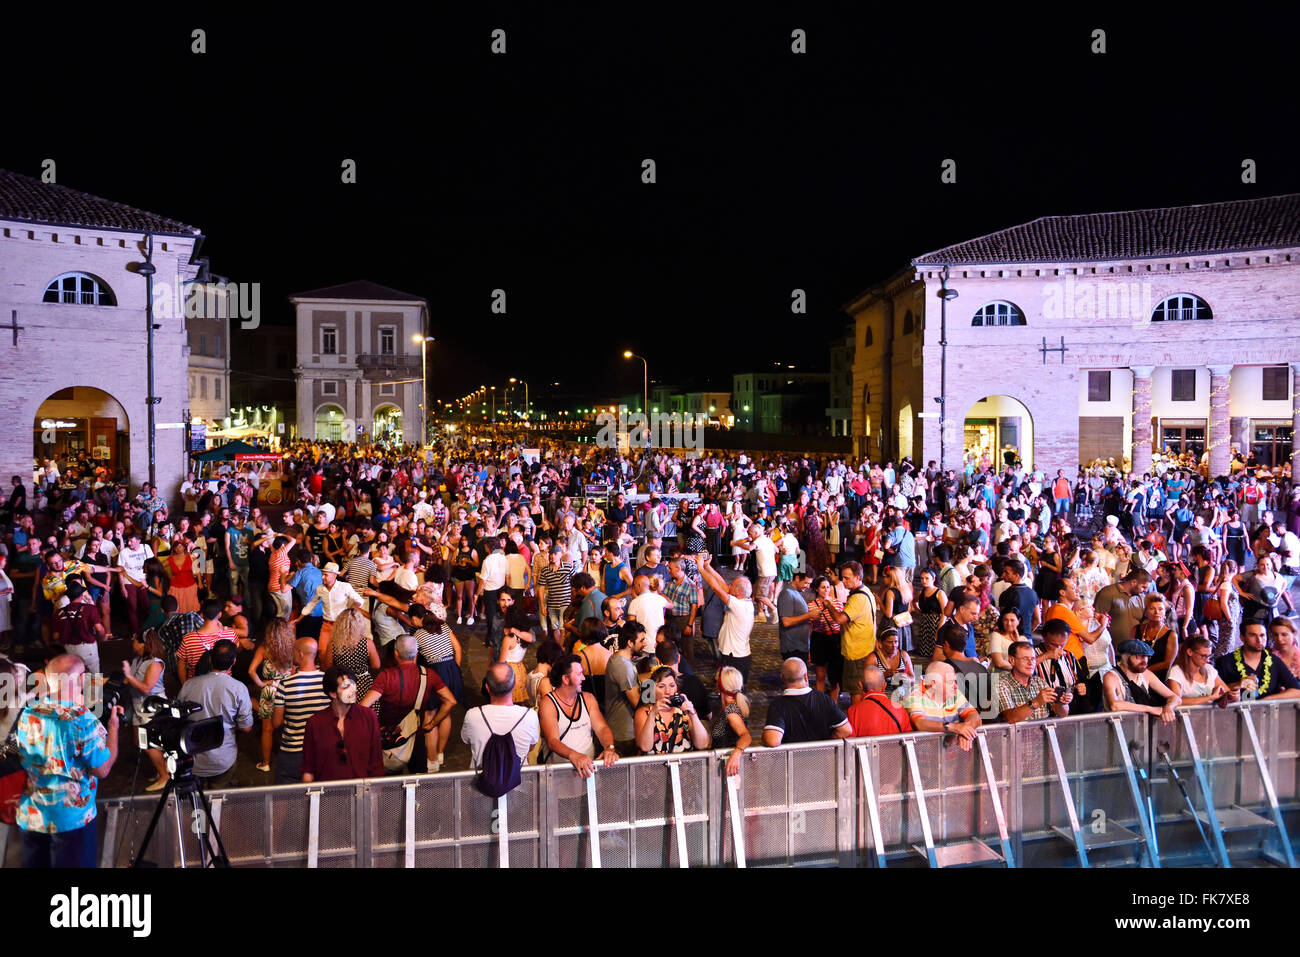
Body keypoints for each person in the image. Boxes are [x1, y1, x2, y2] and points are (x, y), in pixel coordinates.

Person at [14, 654, 123, 867]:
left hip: (32, 816)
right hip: (71, 820)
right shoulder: (83, 721)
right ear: (81, 680)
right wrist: (113, 728)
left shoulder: (27, 713)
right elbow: (103, 769)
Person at [360, 634, 456, 772]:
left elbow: (364, 706)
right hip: (416, 735)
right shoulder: (428, 675)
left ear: (396, 653)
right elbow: (451, 701)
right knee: (417, 777)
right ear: (416, 653)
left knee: (390, 779)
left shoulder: (386, 676)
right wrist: (432, 724)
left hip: (390, 738)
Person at [177, 639, 255, 789]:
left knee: (194, 802)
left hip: (193, 759)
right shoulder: (238, 688)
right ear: (234, 661)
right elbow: (246, 727)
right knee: (218, 801)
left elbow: (179, 718)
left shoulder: (189, 685)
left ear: (210, 659)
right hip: (223, 759)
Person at [538, 653, 620, 776]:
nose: (583, 678)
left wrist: (609, 747)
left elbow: (602, 728)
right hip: (558, 780)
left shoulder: (588, 699)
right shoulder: (548, 703)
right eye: (578, 674)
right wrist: (574, 755)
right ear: (565, 679)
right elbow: (553, 741)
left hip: (587, 775)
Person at [301, 667, 384, 782]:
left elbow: (377, 764)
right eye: (346, 687)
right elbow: (308, 769)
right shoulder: (315, 723)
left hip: (361, 794)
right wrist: (309, 797)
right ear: (333, 693)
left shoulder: (369, 717)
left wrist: (374, 796)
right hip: (327, 794)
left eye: (353, 685)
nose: (353, 690)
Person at [271, 638, 331, 784]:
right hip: (321, 749)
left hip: (293, 751)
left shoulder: (286, 684)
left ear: (301, 655)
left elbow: (276, 723)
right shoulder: (328, 681)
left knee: (284, 795)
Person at [462, 662, 541, 768]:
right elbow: (530, 747)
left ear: (487, 687)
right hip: (519, 779)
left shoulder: (472, 716)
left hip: (482, 780)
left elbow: (467, 740)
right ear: (514, 685)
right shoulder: (530, 716)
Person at [761, 658, 852, 746]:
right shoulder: (824, 699)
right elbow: (846, 730)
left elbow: (772, 741)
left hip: (792, 760)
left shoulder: (778, 706)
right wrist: (828, 742)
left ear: (782, 677)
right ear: (805, 676)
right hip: (821, 759)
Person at [120, 630, 168, 790]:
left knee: (148, 743)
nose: (132, 643)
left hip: (151, 707)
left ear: (143, 643)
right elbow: (129, 680)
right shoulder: (138, 659)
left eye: (135, 640)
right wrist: (99, 681)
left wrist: (129, 676)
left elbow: (147, 687)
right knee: (139, 741)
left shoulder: (155, 663)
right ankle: (161, 768)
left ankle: (164, 776)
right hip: (138, 706)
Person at [698, 551, 755, 685]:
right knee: (731, 690)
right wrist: (708, 567)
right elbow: (722, 584)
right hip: (739, 655)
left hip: (734, 657)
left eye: (732, 586)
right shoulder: (745, 602)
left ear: (739, 591)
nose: (729, 587)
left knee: (732, 691)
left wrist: (701, 568)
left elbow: (716, 587)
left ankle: (731, 706)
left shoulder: (738, 605)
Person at [248, 618, 297, 773]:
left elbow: (251, 671)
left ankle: (266, 763)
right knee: (290, 724)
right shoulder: (293, 648)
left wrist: (262, 684)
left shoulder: (264, 650)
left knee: (267, 729)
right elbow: (297, 667)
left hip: (270, 691)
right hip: (289, 688)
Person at [902, 662, 982, 751]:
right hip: (923, 759)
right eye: (950, 682)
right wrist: (955, 727)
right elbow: (920, 723)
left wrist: (966, 731)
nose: (956, 686)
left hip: (952, 758)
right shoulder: (914, 694)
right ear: (933, 684)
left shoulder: (955, 694)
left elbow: (974, 716)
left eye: (955, 681)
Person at [830, 561, 877, 707]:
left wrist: (828, 605)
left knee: (856, 691)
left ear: (858, 577)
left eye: (846, 578)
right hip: (866, 647)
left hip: (856, 652)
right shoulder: (866, 591)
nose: (843, 581)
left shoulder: (857, 598)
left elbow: (840, 619)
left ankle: (857, 722)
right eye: (842, 578)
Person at [1216, 620, 1300, 700]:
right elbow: (1212, 693)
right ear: (1242, 638)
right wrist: (1236, 685)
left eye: (1262, 635)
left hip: (1268, 712)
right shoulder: (1225, 662)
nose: (1259, 640)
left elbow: (1297, 691)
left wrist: (1268, 700)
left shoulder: (1274, 661)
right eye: (1252, 635)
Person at [635, 665, 710, 754]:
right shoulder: (644, 713)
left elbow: (703, 744)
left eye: (672, 685)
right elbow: (645, 747)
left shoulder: (685, 712)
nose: (668, 691)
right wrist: (653, 714)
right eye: (661, 686)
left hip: (683, 766)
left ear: (677, 687)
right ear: (653, 690)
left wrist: (693, 715)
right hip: (655, 767)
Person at [1103, 639, 1182, 722]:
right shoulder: (1111, 677)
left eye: (1147, 657)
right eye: (1139, 656)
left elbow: (1176, 698)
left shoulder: (1146, 674)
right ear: (1125, 657)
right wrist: (1150, 709)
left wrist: (1168, 708)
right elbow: (1115, 705)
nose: (1144, 661)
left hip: (1140, 728)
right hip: (1117, 729)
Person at [603, 621, 649, 755]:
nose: (644, 644)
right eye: (641, 640)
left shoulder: (618, 659)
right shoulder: (623, 667)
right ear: (630, 643)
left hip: (623, 730)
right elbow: (638, 703)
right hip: (625, 734)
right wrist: (652, 684)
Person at [997, 641, 1070, 723]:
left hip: (1044, 733)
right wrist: (1036, 702)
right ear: (1012, 660)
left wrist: (1062, 703)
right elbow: (1010, 718)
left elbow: (1062, 714)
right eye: (1025, 659)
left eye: (1033, 659)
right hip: (1016, 734)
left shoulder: (1039, 681)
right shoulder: (1002, 683)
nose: (1031, 663)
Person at [176, 599, 238, 685]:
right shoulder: (230, 634)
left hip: (196, 687)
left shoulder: (188, 639)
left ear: (201, 615)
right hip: (224, 685)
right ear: (220, 615)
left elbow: (181, 666)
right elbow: (236, 652)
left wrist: (185, 686)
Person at [846, 665, 914, 737]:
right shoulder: (900, 709)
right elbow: (908, 738)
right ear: (884, 685)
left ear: (861, 685)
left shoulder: (853, 711)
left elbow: (850, 743)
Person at [710, 665, 751, 776]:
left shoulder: (731, 711)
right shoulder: (731, 706)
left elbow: (746, 736)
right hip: (725, 766)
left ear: (719, 686)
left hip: (728, 768)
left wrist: (736, 753)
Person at [1166, 637, 1231, 706]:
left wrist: (1234, 695)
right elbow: (1176, 701)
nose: (1207, 660)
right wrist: (1210, 697)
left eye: (1209, 656)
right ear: (1190, 652)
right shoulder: (1176, 672)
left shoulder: (1209, 669)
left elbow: (1225, 691)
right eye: (1203, 656)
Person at [777, 568, 816, 663]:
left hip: (800, 645)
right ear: (797, 578)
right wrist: (808, 615)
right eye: (806, 583)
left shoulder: (796, 592)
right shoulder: (787, 594)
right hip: (793, 647)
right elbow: (786, 622)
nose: (808, 586)